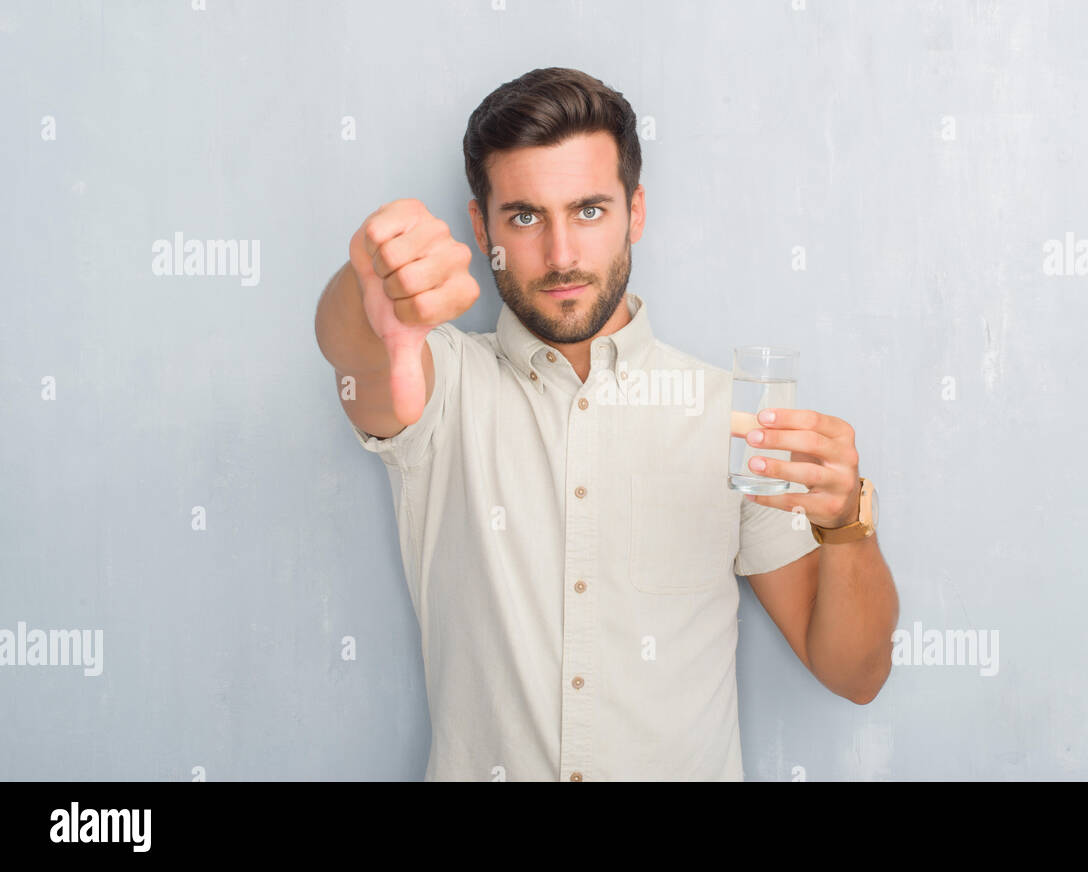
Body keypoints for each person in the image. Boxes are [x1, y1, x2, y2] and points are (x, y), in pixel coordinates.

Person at [314, 67, 898, 781]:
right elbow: (358, 349)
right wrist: (369, 287)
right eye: (525, 217)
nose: (561, 256)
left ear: (636, 212)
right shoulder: (443, 384)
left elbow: (855, 675)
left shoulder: (733, 421)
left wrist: (847, 527)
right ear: (481, 226)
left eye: (588, 210)